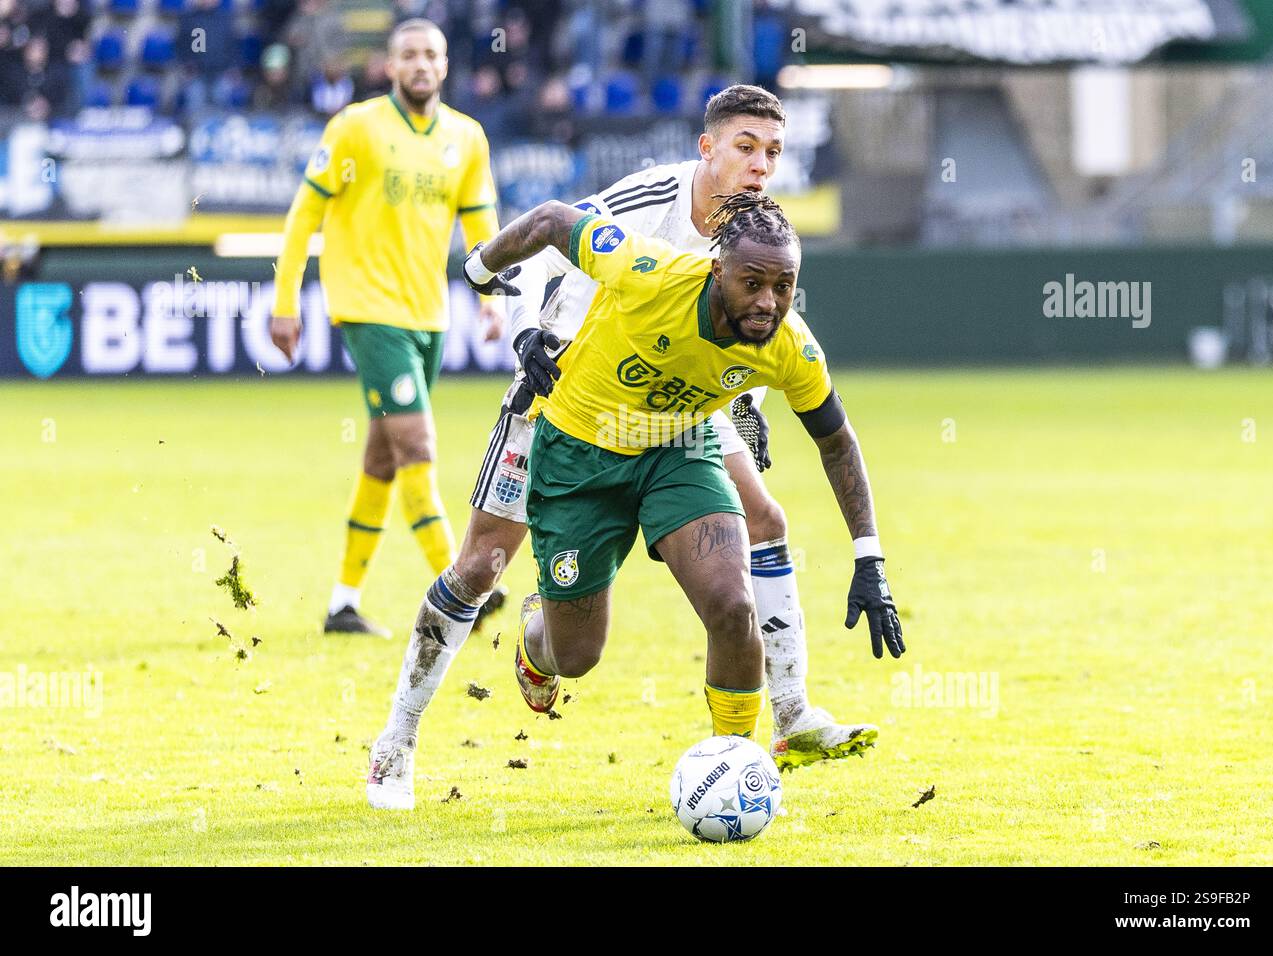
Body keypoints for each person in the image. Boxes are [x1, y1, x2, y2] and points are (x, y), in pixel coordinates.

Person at [365, 86, 879, 811]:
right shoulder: (649, 201)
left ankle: (789, 716)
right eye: (746, 147)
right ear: (708, 147)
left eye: (773, 152)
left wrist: (749, 408)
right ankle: (398, 738)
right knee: (482, 564)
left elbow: (761, 341)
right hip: (563, 394)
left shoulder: (761, 238)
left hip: (672, 419)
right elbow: (543, 248)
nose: (761, 165)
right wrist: (520, 329)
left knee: (763, 518)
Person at [270, 19, 505, 636]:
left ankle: (342, 604)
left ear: (446, 66)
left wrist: (491, 300)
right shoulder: (355, 128)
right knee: (417, 447)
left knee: (382, 458)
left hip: (428, 314)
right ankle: (464, 588)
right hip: (368, 310)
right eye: (409, 55)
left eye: (432, 54)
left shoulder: (467, 138)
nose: (421, 63)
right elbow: (304, 215)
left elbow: (482, 227)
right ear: (390, 67)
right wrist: (285, 300)